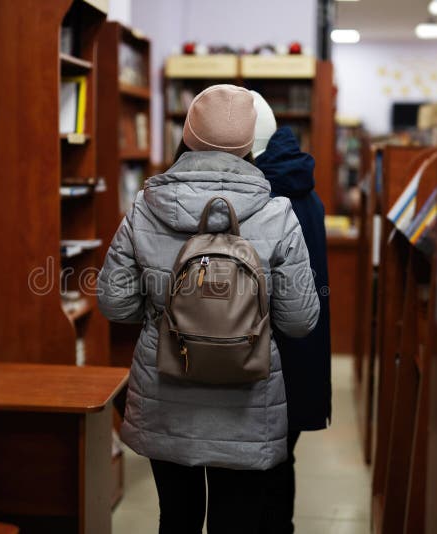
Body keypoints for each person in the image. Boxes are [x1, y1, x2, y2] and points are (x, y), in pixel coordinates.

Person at [98, 84, 320, 534]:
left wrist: (164, 309)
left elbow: (115, 304)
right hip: (248, 400)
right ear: (249, 143)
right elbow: (300, 320)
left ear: (188, 135)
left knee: (175, 518)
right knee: (235, 521)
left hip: (165, 394)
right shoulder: (278, 213)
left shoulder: (145, 207)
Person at [250, 91, 332, 534]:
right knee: (281, 461)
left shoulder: (265, 198)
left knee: (260, 474)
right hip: (302, 351)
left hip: (268, 355)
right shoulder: (302, 185)